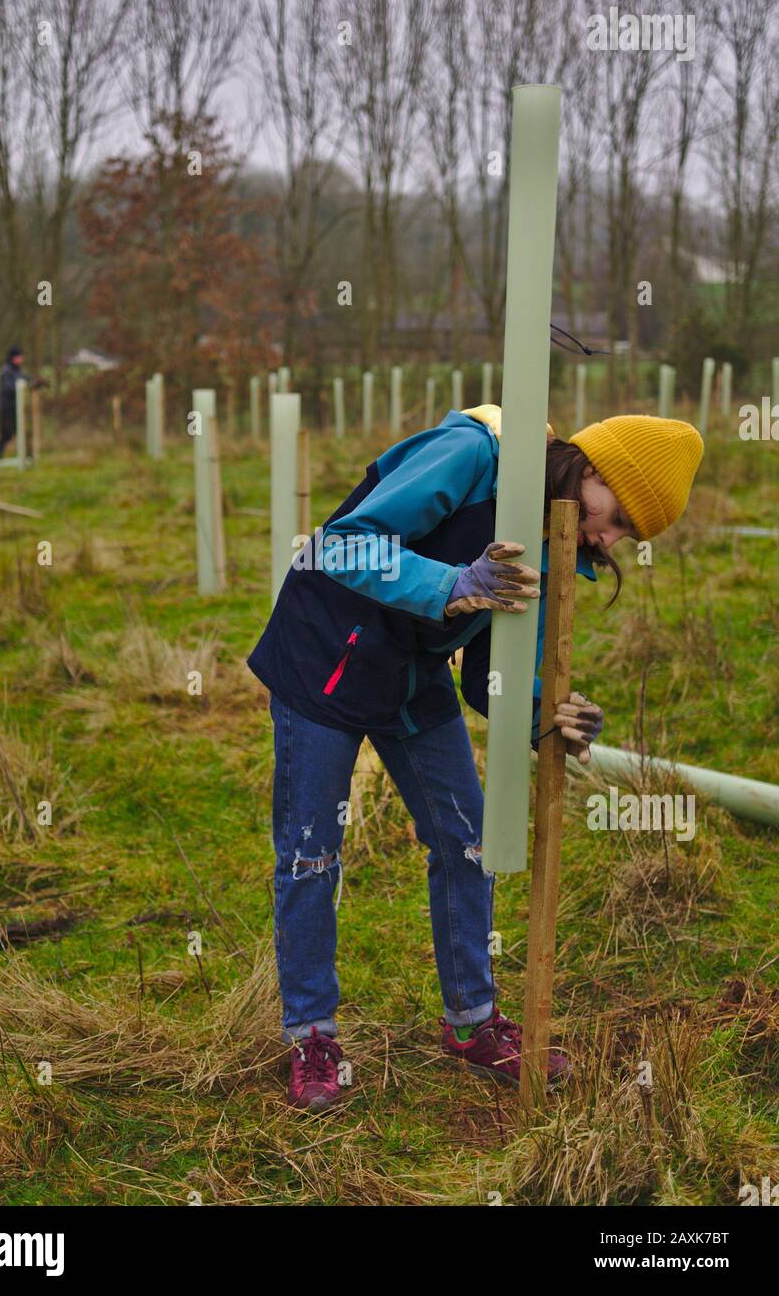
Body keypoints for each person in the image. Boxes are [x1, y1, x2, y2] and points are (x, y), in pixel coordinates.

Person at [246, 402, 704, 1111]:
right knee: (312, 851)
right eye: (615, 514)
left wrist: (544, 712)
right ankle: (312, 1037)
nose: (607, 537)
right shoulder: (469, 454)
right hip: (323, 664)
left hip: (409, 683)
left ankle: (472, 1022)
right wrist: (449, 585)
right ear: (592, 468)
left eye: (624, 535)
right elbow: (338, 546)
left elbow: (487, 667)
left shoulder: (553, 537)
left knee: (469, 842)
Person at [0, 345, 29, 459]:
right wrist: (22, 386)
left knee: (21, 432)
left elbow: (27, 380)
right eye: (19, 357)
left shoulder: (18, 371)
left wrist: (34, 383)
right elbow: (8, 389)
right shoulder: (6, 372)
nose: (21, 359)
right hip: (7, 409)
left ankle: (26, 456)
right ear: (12, 358)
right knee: (6, 434)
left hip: (17, 408)